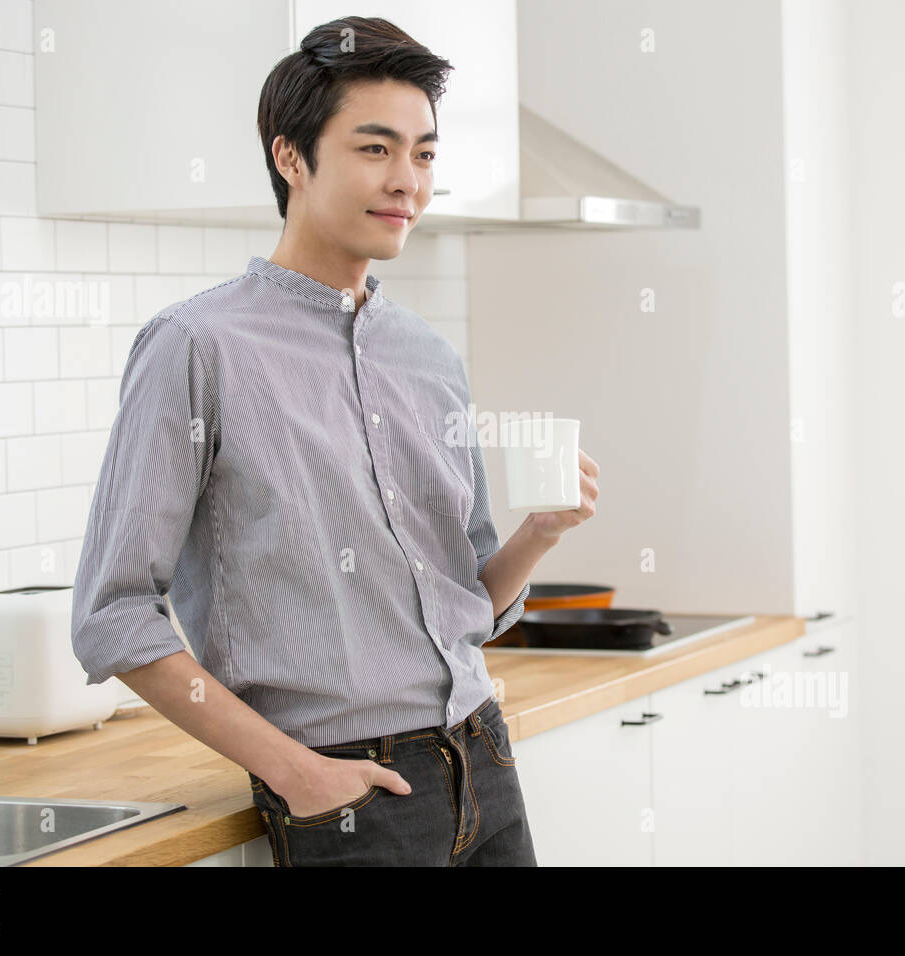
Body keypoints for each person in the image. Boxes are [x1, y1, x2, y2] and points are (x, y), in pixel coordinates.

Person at [70, 15, 599, 867]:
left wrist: (539, 535)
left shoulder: (428, 356)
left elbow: (471, 605)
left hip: (485, 761)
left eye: (425, 154)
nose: (407, 183)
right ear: (291, 157)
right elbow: (113, 615)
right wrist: (294, 771)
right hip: (352, 795)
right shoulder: (198, 347)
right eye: (375, 148)